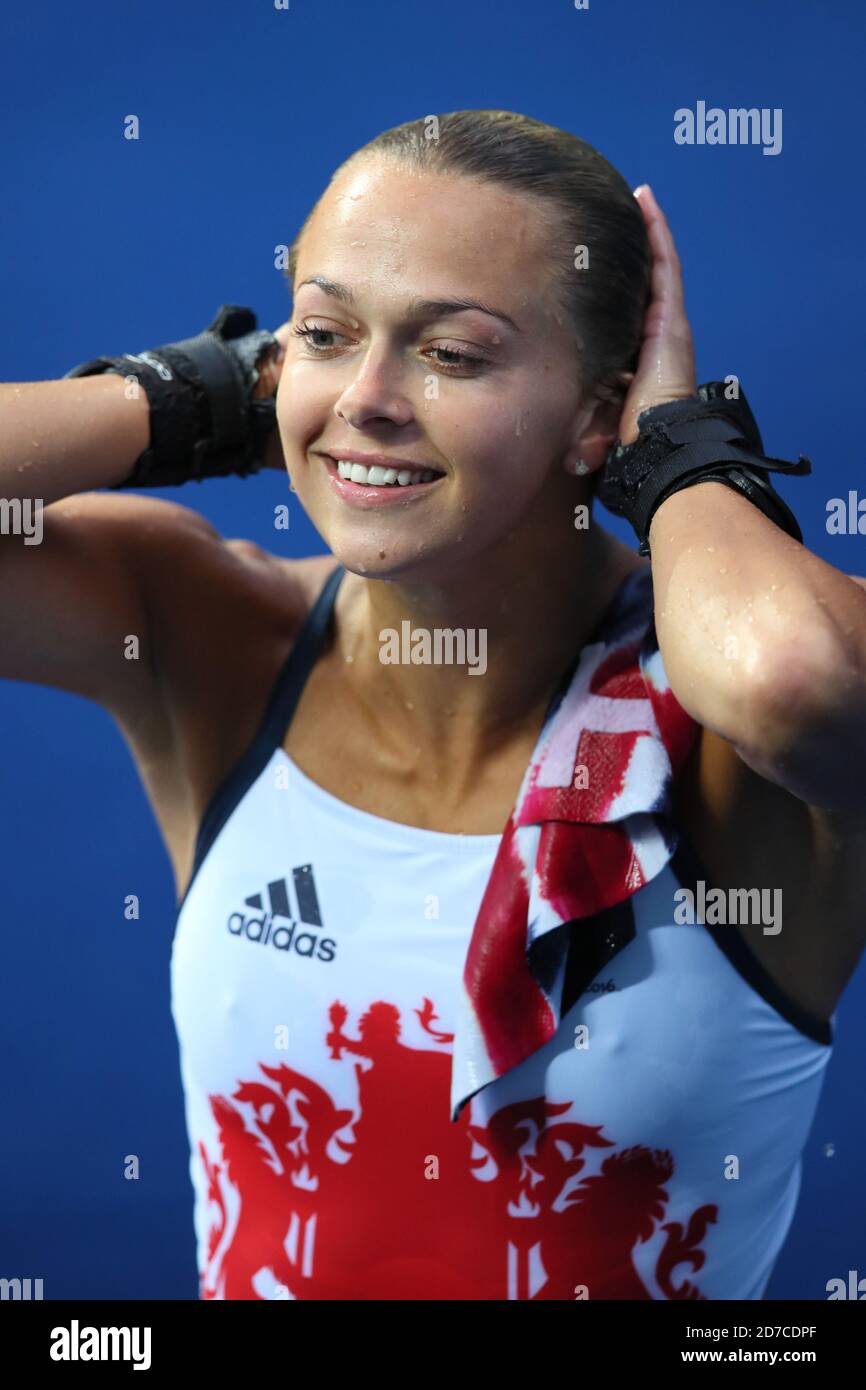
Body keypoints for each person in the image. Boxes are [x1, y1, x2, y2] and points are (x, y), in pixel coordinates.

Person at [2, 110, 865, 1301]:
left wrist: (678, 454)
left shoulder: (729, 738)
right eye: (324, 331)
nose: (366, 398)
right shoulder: (216, 637)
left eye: (449, 354)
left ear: (594, 415)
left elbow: (792, 682)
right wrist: (201, 394)